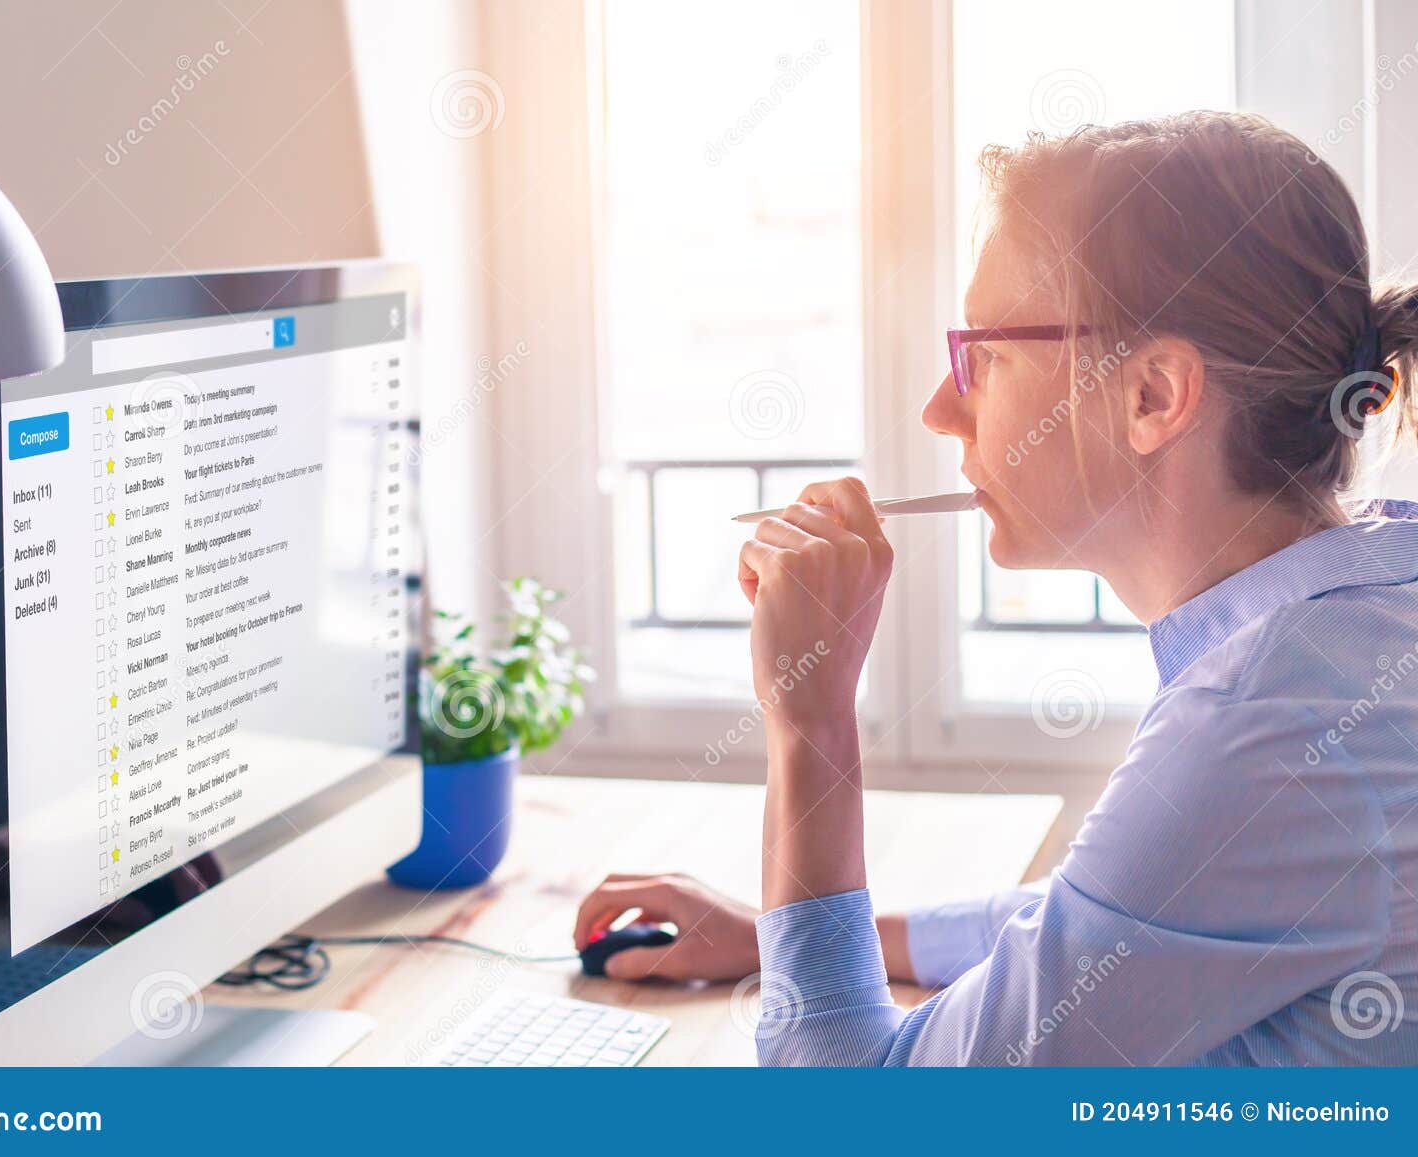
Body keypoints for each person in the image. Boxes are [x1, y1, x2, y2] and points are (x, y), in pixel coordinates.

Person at [573, 111, 1418, 1065]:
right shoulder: (1364, 615)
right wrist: (785, 939)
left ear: (1153, 395)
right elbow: (1117, 923)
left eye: (985, 355)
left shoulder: (1265, 727)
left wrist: (809, 717)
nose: (940, 409)